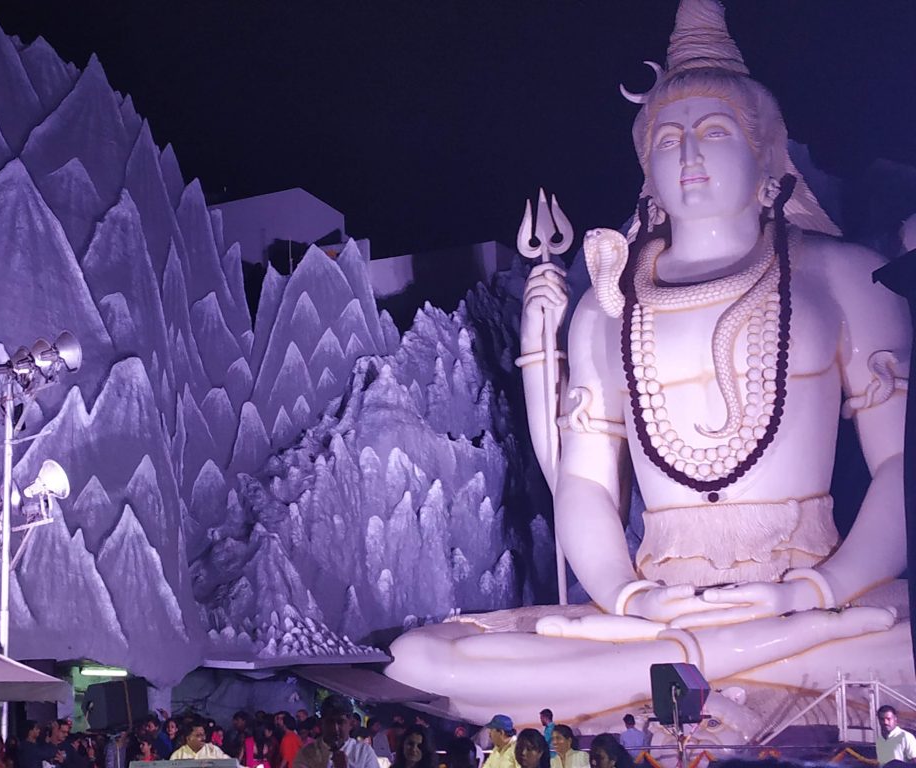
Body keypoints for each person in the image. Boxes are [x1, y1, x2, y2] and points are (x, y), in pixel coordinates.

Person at [385, 0, 912, 731]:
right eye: (668, 138)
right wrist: (629, 595)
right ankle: (718, 672)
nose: (689, 155)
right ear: (645, 165)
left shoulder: (845, 276)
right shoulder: (607, 305)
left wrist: (819, 590)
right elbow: (584, 483)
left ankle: (708, 674)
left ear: (769, 158)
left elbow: (902, 470)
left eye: (715, 132)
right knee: (429, 655)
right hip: (655, 606)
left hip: (817, 595)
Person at [292, 695, 378, 768]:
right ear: (321, 723)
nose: (335, 728)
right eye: (330, 722)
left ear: (351, 723)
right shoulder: (306, 754)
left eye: (340, 722)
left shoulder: (363, 753)